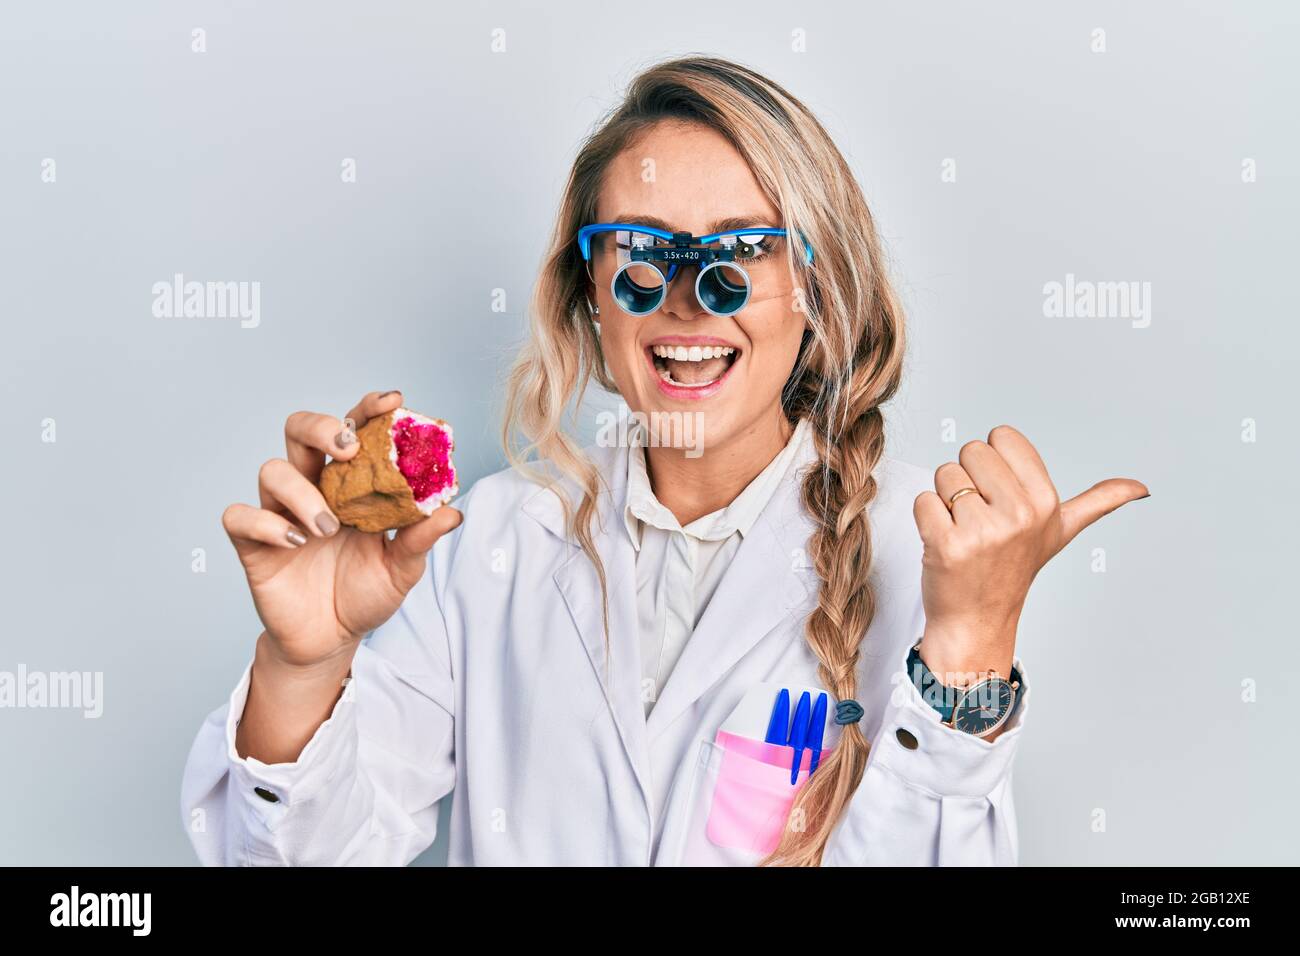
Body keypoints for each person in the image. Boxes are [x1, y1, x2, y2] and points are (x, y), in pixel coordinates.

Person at [181, 56, 1146, 866]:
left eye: (740, 252)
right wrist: (302, 666)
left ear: (815, 288)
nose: (688, 302)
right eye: (641, 253)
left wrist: (972, 646)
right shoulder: (490, 545)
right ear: (592, 295)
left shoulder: (927, 558)